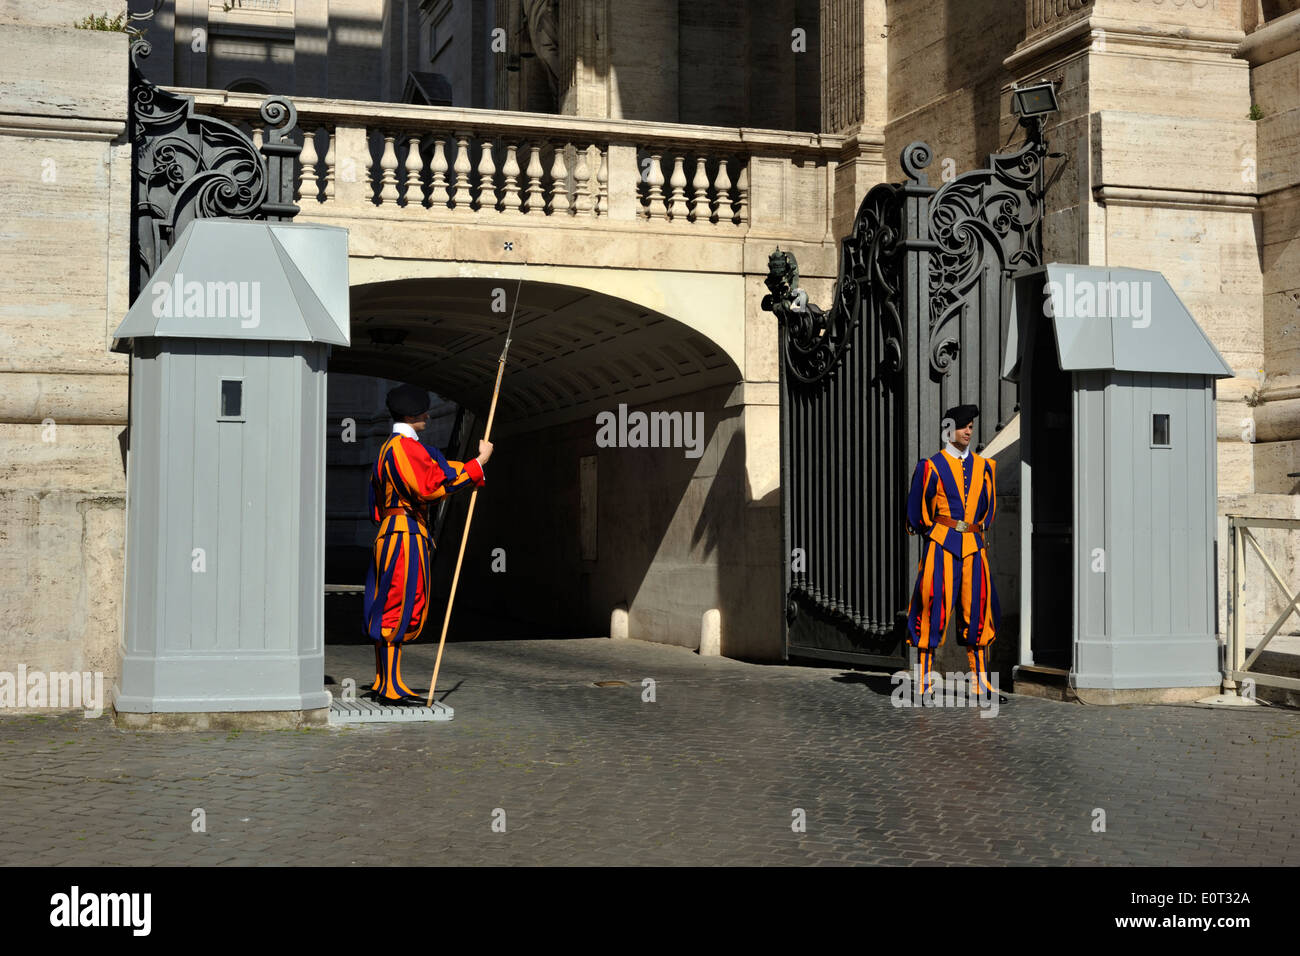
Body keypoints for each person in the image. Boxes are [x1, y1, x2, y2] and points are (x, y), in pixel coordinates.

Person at [362, 383, 493, 703]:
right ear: (411, 415)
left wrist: (471, 467)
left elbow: (377, 502)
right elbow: (431, 484)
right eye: (423, 412)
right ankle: (390, 687)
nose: (428, 416)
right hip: (405, 535)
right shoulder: (404, 448)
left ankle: (386, 681)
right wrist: (479, 464)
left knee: (388, 603)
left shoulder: (388, 449)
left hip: (391, 531)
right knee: (399, 604)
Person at [904, 404, 1001, 704]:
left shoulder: (985, 467)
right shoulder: (931, 466)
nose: (968, 430)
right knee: (931, 605)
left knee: (978, 609)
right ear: (949, 429)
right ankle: (922, 683)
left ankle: (980, 683)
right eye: (962, 426)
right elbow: (916, 513)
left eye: (971, 425)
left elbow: (988, 509)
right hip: (941, 544)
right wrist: (933, 531)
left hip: (973, 546)